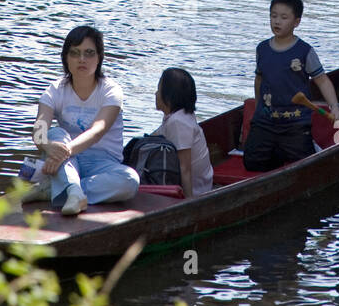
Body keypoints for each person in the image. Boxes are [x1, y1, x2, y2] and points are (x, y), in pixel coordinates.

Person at [24, 25, 140, 215]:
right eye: (75, 53)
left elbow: (97, 131)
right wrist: (46, 143)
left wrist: (66, 151)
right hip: (68, 163)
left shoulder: (111, 91)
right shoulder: (55, 90)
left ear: (99, 57)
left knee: (130, 181)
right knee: (55, 133)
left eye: (89, 53)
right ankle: (74, 193)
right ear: (66, 58)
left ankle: (57, 189)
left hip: (102, 164)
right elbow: (39, 129)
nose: (82, 59)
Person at [244, 0, 339, 172]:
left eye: (283, 17)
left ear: (296, 22)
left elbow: (322, 80)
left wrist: (334, 107)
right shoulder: (262, 49)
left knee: (304, 165)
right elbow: (259, 80)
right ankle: (278, 150)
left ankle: (297, 145)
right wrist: (258, 109)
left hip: (295, 122)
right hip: (265, 120)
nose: (277, 22)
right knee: (252, 163)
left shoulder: (304, 51)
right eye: (273, 16)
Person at [154, 67, 213, 199]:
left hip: (195, 192)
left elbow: (184, 168)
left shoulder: (178, 122)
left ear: (169, 97)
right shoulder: (179, 117)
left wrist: (189, 203)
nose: (156, 93)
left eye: (159, 89)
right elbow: (155, 136)